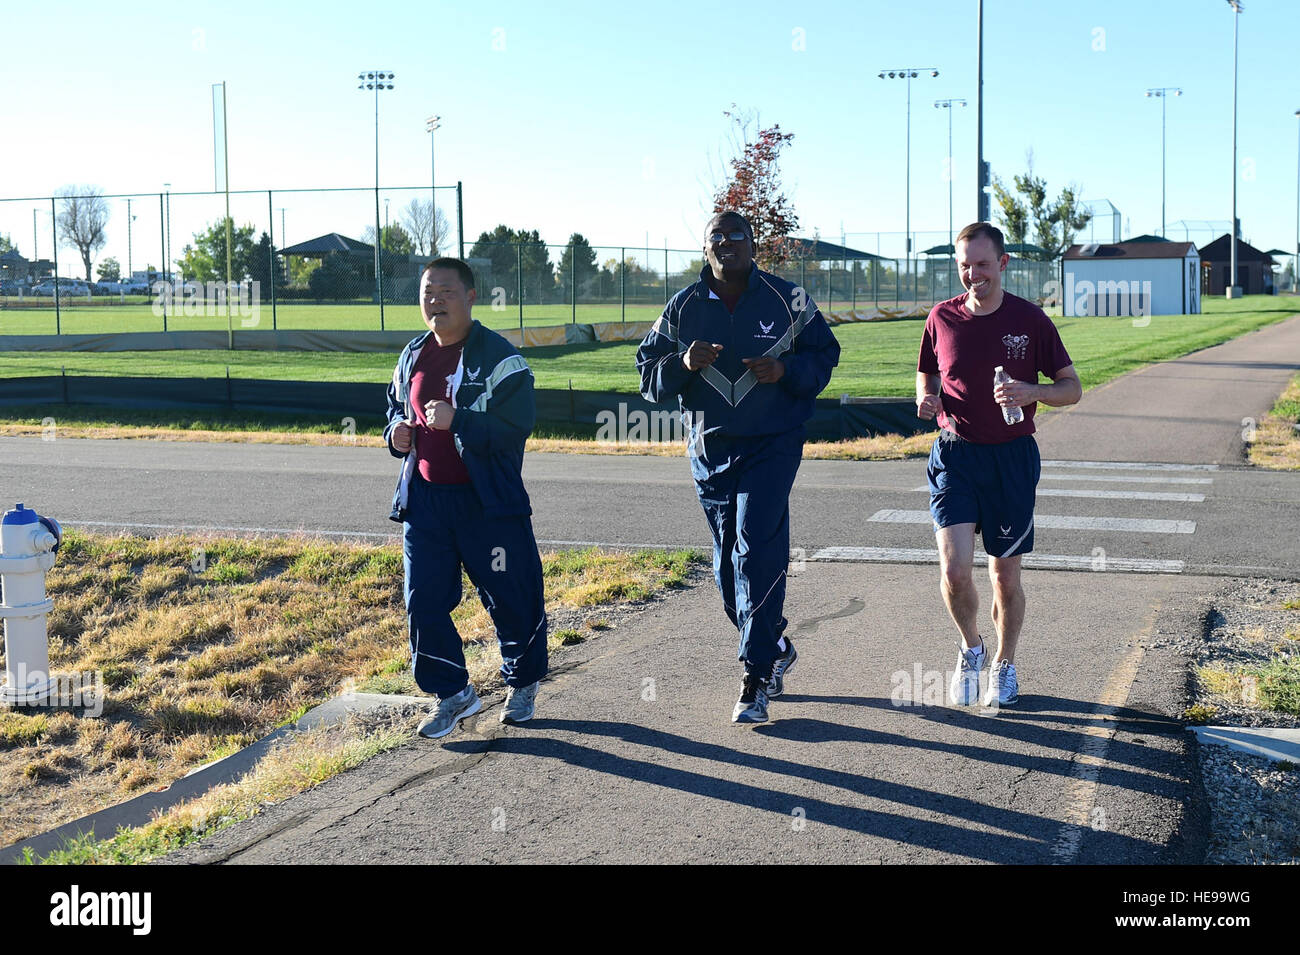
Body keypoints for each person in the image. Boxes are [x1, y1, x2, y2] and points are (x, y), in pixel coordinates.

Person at [637, 211, 840, 724]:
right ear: (705, 248)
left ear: (754, 245)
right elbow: (647, 375)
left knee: (758, 549)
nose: (726, 244)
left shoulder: (788, 299)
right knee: (728, 566)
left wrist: (786, 369)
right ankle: (772, 643)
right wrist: (683, 363)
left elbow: (826, 355)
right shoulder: (682, 308)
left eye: (736, 237)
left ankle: (755, 678)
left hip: (773, 445)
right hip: (710, 451)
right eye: (716, 238)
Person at [915, 221, 1081, 707]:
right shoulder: (941, 318)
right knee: (955, 573)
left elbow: (1071, 388)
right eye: (964, 265)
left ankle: (1005, 664)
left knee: (1005, 577)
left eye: (982, 265)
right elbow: (926, 371)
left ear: (1003, 264)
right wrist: (926, 398)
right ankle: (971, 648)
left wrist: (1034, 391)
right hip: (955, 455)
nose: (973, 274)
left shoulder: (1030, 320)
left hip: (1011, 458)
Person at [386, 257, 548, 738]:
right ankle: (453, 694)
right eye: (427, 291)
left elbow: (517, 427)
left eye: (446, 291)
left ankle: (522, 683)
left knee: (510, 595)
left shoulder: (501, 358)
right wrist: (394, 431)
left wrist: (459, 420)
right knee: (423, 602)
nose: (435, 300)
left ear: (471, 296)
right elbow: (396, 405)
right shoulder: (413, 354)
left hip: (488, 504)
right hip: (427, 504)